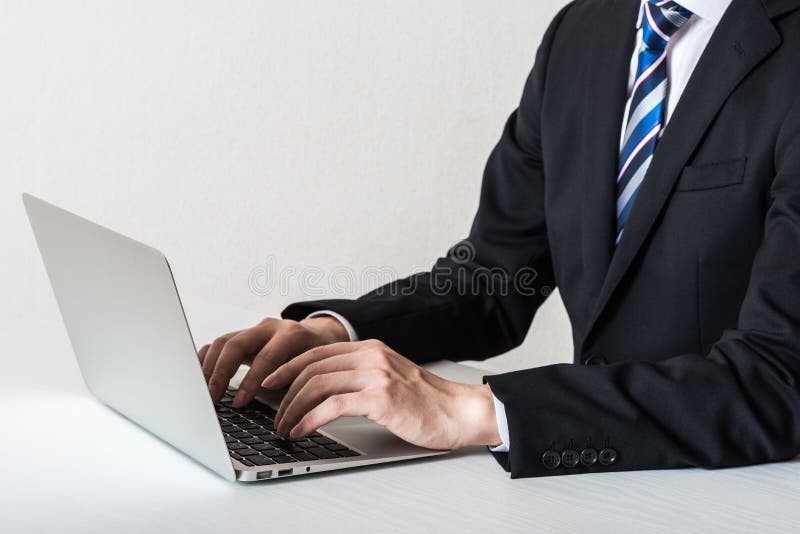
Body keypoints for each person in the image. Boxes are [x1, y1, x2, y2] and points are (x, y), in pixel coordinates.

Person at [198, 0, 800, 478]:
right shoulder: (583, 31)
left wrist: (475, 408)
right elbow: (495, 278)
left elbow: (777, 379)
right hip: (595, 488)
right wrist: (338, 334)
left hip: (744, 491)